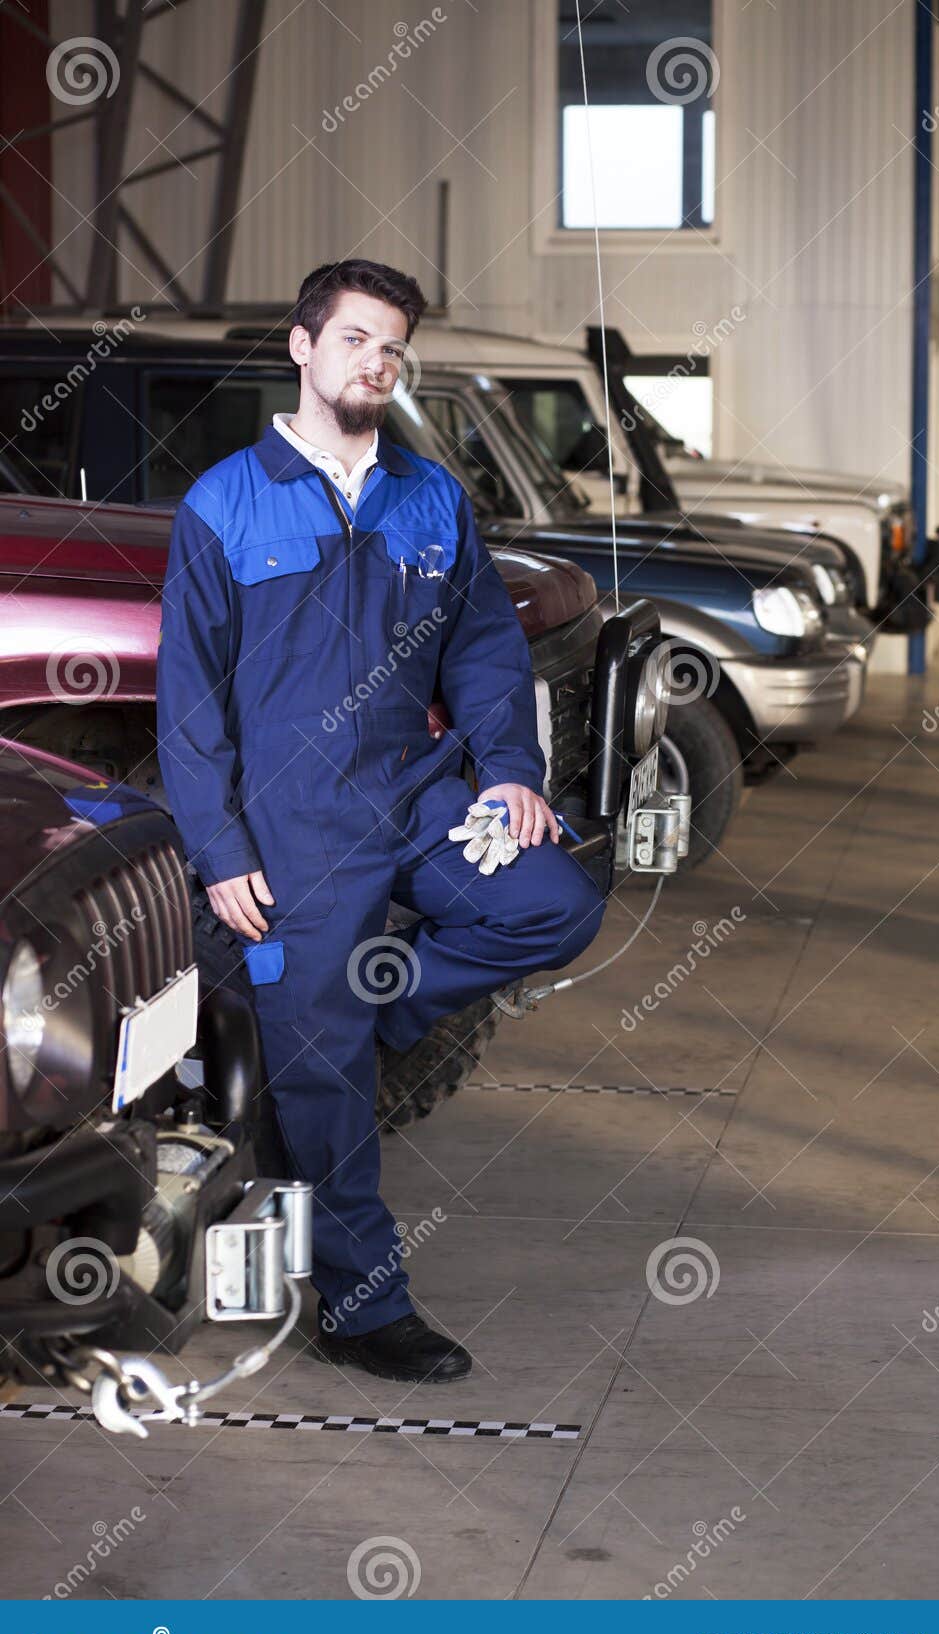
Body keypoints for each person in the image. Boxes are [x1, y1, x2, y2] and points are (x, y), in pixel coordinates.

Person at [156, 259, 606, 1383]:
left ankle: (385, 1011)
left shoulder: (430, 497)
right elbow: (189, 708)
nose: (377, 361)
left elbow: (486, 653)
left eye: (392, 346)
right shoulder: (225, 502)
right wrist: (220, 852)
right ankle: (363, 1308)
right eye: (356, 338)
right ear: (303, 348)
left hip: (412, 793)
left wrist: (510, 772)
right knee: (322, 1084)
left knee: (550, 901)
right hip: (289, 822)